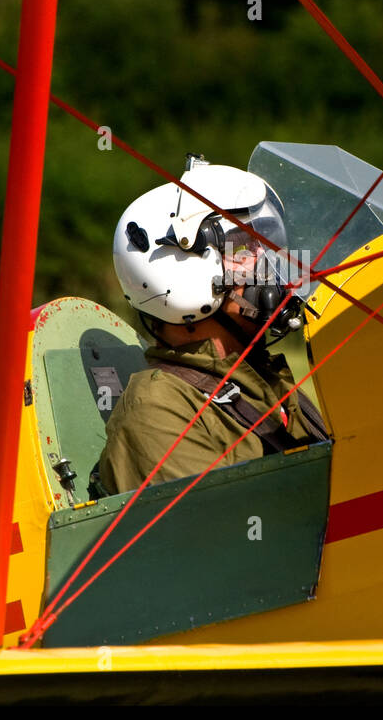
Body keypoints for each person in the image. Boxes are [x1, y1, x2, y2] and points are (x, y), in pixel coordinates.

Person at [93, 156, 329, 495]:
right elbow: (220, 535)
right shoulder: (157, 409)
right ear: (184, 273)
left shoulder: (260, 378)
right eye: (246, 248)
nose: (270, 263)